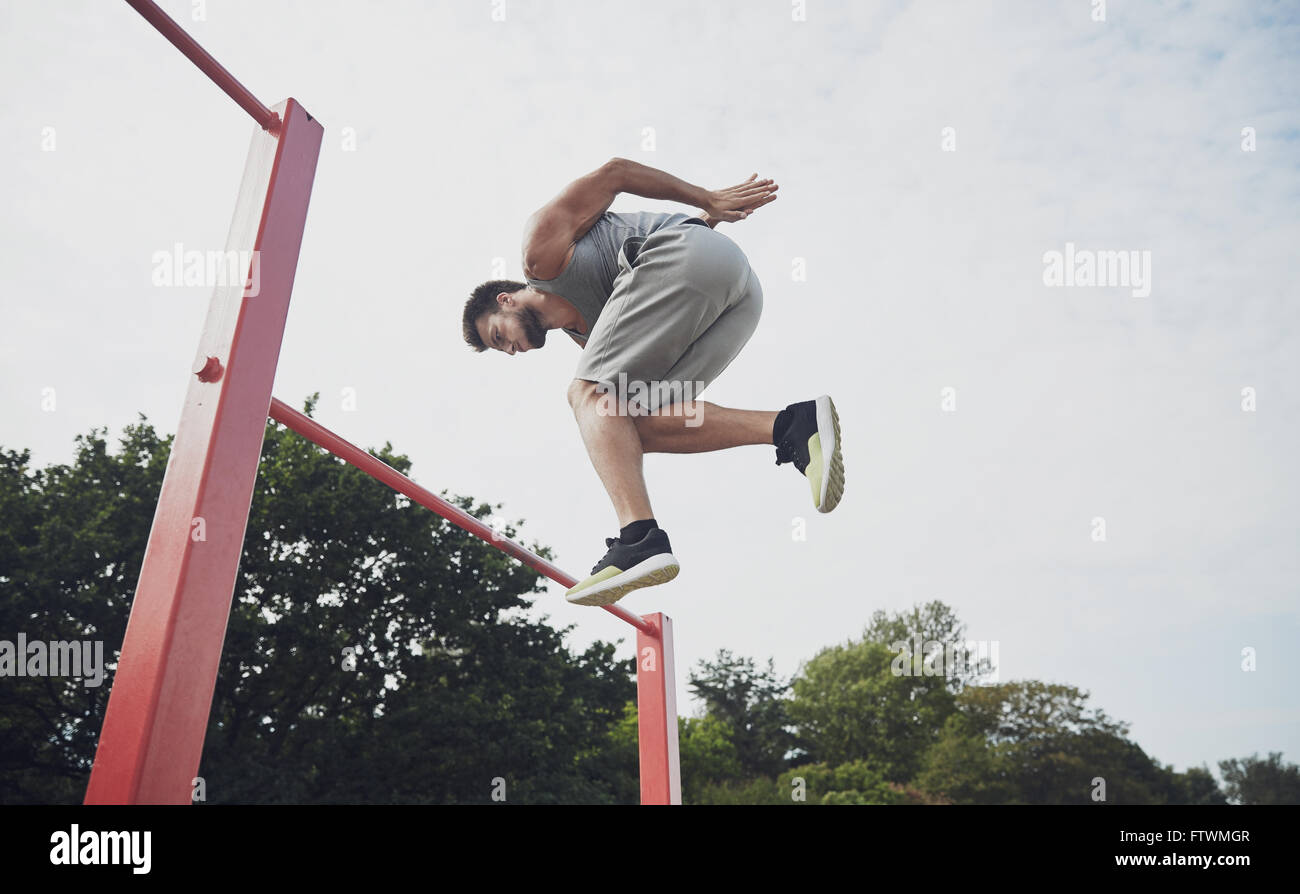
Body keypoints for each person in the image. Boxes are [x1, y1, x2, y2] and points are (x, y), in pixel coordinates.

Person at [461, 157, 844, 606]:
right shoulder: (590, 340)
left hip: (692, 253)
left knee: (586, 394)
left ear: (505, 300)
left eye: (498, 335)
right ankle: (791, 426)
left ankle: (639, 537)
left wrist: (708, 202)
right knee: (626, 422)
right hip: (735, 300)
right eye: (502, 350)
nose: (510, 349)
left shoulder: (542, 253)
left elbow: (616, 173)